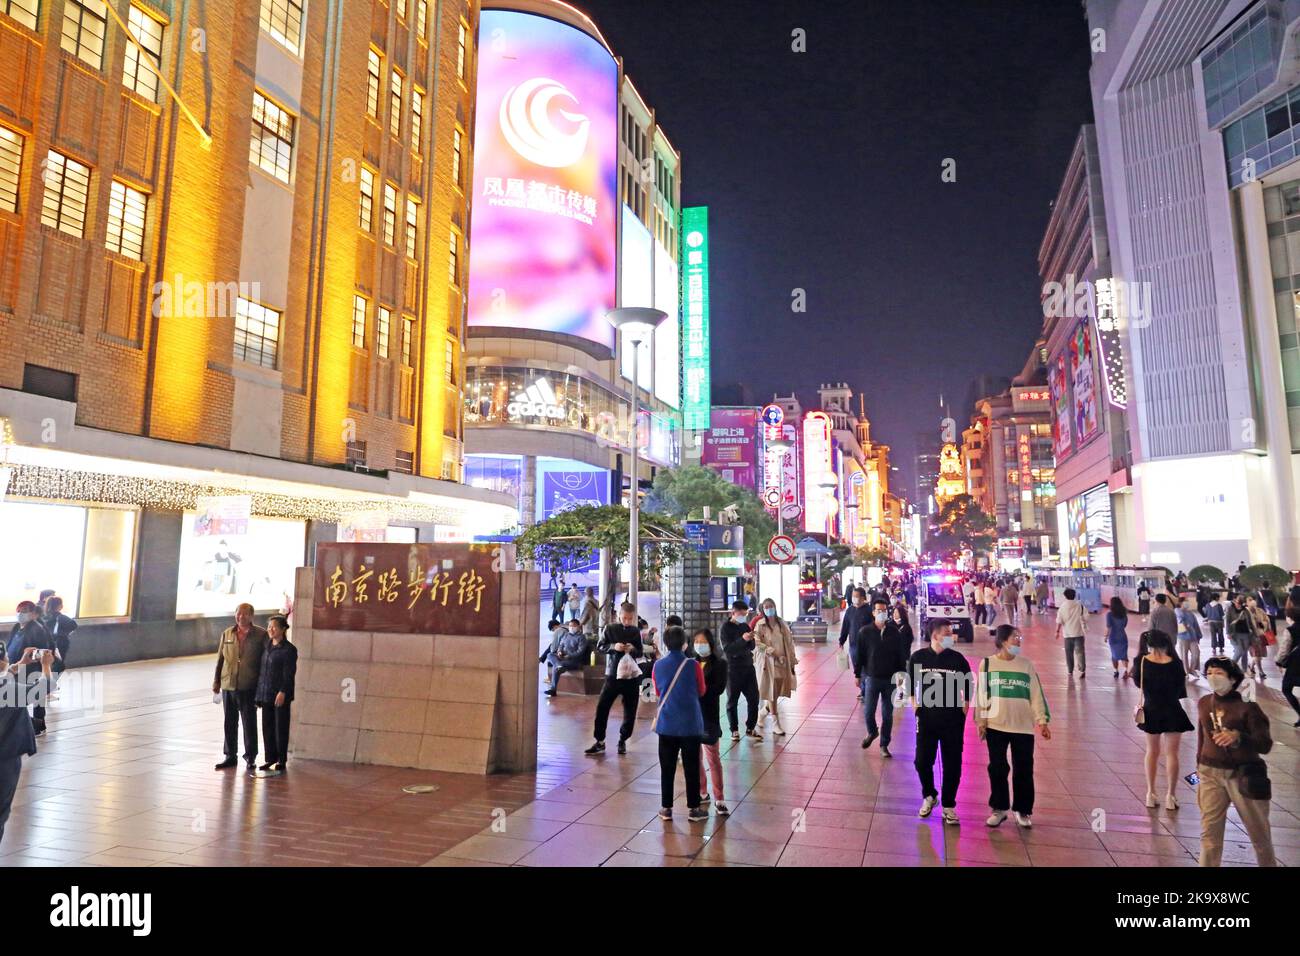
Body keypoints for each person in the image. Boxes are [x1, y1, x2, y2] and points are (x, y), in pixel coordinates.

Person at [1195, 657, 1276, 866]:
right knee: (1209, 837)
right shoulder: (1204, 703)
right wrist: (1198, 772)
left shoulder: (1248, 707)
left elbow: (1264, 744)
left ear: (1232, 679)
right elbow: (1201, 739)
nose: (1213, 677)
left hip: (1243, 775)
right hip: (1209, 773)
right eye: (1210, 672)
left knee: (1260, 836)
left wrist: (1239, 737)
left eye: (1219, 673)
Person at [976, 625, 1050, 828]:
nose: (1019, 641)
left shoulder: (1026, 665)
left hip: (1022, 726)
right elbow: (982, 694)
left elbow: (1035, 695)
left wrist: (1041, 720)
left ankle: (1023, 810)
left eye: (1019, 637)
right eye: (1014, 637)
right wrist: (981, 722)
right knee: (997, 768)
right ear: (1002, 641)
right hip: (996, 725)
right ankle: (999, 809)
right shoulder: (988, 664)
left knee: (1024, 769)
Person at [908, 618, 971, 824]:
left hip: (952, 720)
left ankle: (949, 805)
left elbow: (968, 689)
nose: (951, 636)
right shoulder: (918, 658)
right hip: (926, 719)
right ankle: (930, 795)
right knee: (922, 761)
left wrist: (963, 713)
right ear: (935, 635)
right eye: (947, 632)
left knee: (953, 763)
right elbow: (910, 687)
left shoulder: (958, 659)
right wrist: (916, 707)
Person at [1132, 630, 1194, 810]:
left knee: (1152, 752)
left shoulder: (1141, 661)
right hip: (1173, 710)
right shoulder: (1176, 663)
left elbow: (1138, 683)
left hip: (1151, 710)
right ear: (1166, 643)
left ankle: (1150, 793)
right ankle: (1171, 796)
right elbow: (1180, 690)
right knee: (1172, 754)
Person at [652, 627, 708, 822]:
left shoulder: (658, 665)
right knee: (691, 766)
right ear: (685, 643)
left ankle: (666, 808)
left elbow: (659, 692)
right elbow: (701, 690)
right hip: (690, 725)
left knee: (667, 768)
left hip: (667, 724)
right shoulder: (693, 665)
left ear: (666, 643)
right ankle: (694, 809)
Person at [212, 603, 268, 772]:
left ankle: (250, 756)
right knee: (229, 721)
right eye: (238, 613)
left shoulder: (261, 635)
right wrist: (216, 681)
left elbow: (265, 662)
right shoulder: (227, 633)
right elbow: (220, 659)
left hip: (248, 685)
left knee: (249, 722)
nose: (241, 617)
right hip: (228, 685)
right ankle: (230, 756)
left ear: (252, 616)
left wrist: (262, 686)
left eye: (245, 614)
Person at [585, 602, 644, 756]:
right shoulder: (610, 629)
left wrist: (633, 649)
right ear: (619, 615)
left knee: (630, 711)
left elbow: (640, 653)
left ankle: (623, 739)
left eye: (630, 619)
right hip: (612, 675)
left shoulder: (635, 631)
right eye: (624, 618)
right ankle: (600, 740)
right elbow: (600, 647)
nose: (627, 621)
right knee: (602, 707)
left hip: (631, 676)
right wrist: (613, 647)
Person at [858, 598, 909, 757]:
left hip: (890, 680)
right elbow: (860, 655)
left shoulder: (894, 632)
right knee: (868, 711)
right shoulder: (865, 632)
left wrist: (901, 680)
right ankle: (872, 732)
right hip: (872, 677)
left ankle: (884, 744)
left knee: (887, 714)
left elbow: (901, 656)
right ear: (873, 612)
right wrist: (857, 674)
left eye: (884, 611)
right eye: (878, 611)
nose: (882, 613)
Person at [0, 646, 40, 846]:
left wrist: (19, 665)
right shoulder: (10, 690)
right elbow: (44, 688)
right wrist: (48, 666)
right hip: (5, 758)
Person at [692, 627, 730, 816]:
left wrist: (699, 690)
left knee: (713, 757)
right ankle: (702, 791)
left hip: (709, 717)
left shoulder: (720, 664)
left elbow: (719, 688)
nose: (699, 645)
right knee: (695, 758)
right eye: (696, 642)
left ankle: (720, 798)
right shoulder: (691, 663)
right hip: (691, 717)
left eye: (703, 642)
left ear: (711, 644)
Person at [254, 614, 297, 775]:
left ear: (283, 629)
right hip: (265, 692)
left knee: (280, 727)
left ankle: (281, 759)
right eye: (269, 626)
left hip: (280, 695)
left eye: (274, 627)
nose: (270, 629)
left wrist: (283, 691)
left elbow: (289, 673)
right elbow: (262, 672)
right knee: (267, 727)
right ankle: (270, 758)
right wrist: (259, 694)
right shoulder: (267, 646)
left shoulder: (289, 650)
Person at [752, 598, 798, 736]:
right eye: (766, 607)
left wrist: (792, 659)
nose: (769, 609)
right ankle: (775, 723)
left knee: (777, 691)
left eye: (771, 606)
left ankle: (762, 713)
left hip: (782, 661)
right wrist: (771, 651)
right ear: (762, 609)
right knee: (771, 692)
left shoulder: (781, 623)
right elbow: (757, 642)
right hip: (768, 662)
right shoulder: (760, 624)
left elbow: (789, 642)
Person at [6, 603, 53, 735]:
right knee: (18, 697)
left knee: (35, 696)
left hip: (31, 668)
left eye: (24, 611)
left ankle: (38, 724)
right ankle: (23, 724)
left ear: (33, 614)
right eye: (19, 611)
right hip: (17, 666)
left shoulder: (37, 629)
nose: (20, 614)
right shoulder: (17, 627)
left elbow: (42, 650)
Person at [721, 600, 761, 741]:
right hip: (733, 669)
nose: (743, 617)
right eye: (741, 614)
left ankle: (750, 727)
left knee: (754, 698)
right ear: (733, 612)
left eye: (745, 614)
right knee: (732, 699)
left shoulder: (745, 626)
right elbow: (728, 649)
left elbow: (751, 647)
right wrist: (743, 639)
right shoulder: (725, 628)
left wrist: (751, 639)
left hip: (748, 667)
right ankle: (734, 729)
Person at [543, 618, 590, 697]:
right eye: (570, 626)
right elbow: (561, 645)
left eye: (573, 626)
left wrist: (569, 655)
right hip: (563, 657)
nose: (571, 627)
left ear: (578, 626)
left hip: (574, 660)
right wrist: (559, 651)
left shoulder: (582, 638)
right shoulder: (567, 635)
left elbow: (579, 652)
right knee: (549, 655)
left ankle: (553, 689)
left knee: (556, 666)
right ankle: (559, 666)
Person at [839, 587, 871, 700]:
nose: (854, 598)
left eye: (856, 596)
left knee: (864, 669)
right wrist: (842, 640)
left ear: (862, 598)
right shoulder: (850, 610)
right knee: (857, 668)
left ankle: (866, 692)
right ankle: (864, 690)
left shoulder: (869, 610)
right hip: (853, 645)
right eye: (853, 596)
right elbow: (845, 626)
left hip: (867, 646)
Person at [1054, 587, 1088, 679]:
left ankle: (1070, 670)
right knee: (1080, 653)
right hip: (1079, 633)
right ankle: (1082, 670)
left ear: (1065, 596)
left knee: (1069, 653)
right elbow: (1086, 617)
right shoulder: (1080, 605)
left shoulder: (1062, 607)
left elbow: (1059, 620)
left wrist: (1057, 631)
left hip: (1067, 634)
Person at [40, 596, 76, 676]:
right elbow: (73, 625)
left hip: (44, 643)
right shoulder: (61, 617)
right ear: (59, 606)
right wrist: (65, 633)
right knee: (58, 664)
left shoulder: (43, 617)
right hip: (60, 643)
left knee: (45, 662)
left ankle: (44, 680)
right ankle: (51, 682)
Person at [1278, 607, 1300, 727]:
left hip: (1296, 664)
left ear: (1290, 618)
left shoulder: (1290, 630)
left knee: (1286, 689)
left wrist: (1279, 661)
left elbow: (1284, 650)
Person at [1175, 598, 1203, 678]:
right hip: (1183, 636)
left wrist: (1198, 635)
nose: (1187, 603)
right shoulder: (1177, 612)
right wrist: (1180, 609)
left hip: (1193, 636)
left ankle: (1192, 669)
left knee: (1196, 653)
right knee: (1184, 655)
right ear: (1180, 603)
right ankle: (1185, 671)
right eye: (1185, 602)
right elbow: (1180, 619)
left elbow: (1195, 624)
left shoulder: (1190, 613)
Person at [1104, 597, 1130, 679]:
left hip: (1113, 637)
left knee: (1114, 656)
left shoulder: (1109, 615)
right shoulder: (1124, 614)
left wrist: (1106, 636)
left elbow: (1109, 627)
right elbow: (1125, 625)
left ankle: (1116, 671)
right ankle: (1126, 670)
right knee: (1124, 655)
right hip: (1123, 637)